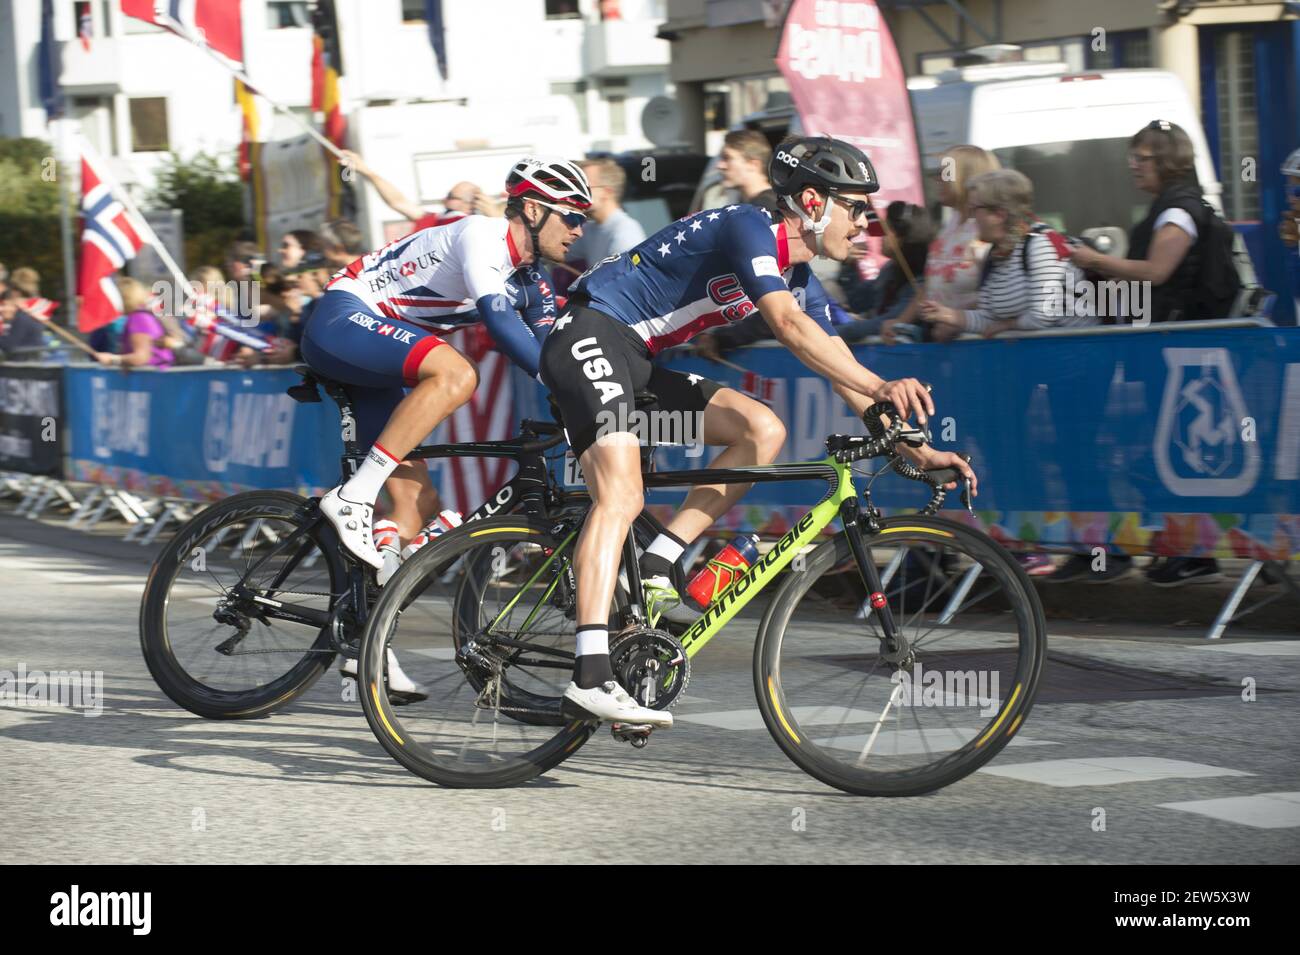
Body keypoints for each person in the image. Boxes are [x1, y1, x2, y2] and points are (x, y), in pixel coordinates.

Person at [539, 136, 976, 726]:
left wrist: (917, 449)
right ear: (814, 201)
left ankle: (663, 558)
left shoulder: (800, 279)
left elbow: (836, 365)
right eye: (857, 207)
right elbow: (789, 328)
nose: (867, 224)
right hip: (588, 334)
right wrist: (881, 386)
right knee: (621, 494)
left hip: (635, 362)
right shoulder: (749, 225)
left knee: (760, 429)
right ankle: (590, 673)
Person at [303, 155, 590, 559]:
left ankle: (369, 604)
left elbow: (547, 351)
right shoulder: (481, 236)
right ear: (533, 209)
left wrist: (587, 390)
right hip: (341, 322)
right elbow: (499, 320)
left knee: (416, 506)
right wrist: (562, 384)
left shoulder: (532, 281)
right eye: (572, 217)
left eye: (584, 220)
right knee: (457, 374)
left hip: (376, 367)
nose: (579, 230)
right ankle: (355, 496)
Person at [1068, 120, 1240, 325]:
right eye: (1132, 157)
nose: (1133, 165)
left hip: (1172, 336)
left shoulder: (1177, 213)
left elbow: (1156, 272)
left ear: (1166, 161)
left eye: (1141, 158)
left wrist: (1094, 260)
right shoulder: (1169, 205)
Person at [922, 169, 1095, 337]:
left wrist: (1009, 325)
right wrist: (946, 314)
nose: (972, 218)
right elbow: (989, 320)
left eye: (975, 209)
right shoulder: (996, 254)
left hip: (1075, 354)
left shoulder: (1039, 244)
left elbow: (1044, 315)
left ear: (999, 215)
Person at [888, 145, 999, 345]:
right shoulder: (951, 224)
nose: (937, 179)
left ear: (966, 176)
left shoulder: (987, 229)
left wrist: (960, 322)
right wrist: (900, 322)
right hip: (941, 339)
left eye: (945, 173)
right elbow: (931, 284)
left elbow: (998, 295)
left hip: (976, 345)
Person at [836, 202, 935, 343]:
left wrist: (833, 334)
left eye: (886, 230)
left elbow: (886, 322)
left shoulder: (919, 280)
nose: (881, 236)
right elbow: (856, 300)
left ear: (900, 237)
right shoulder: (889, 270)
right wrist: (848, 263)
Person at [335, 149, 490, 233]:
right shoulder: (434, 219)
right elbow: (397, 201)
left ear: (470, 205)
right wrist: (365, 171)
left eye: (451, 196)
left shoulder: (473, 226)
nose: (444, 199)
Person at [565, 158, 646, 268]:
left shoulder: (625, 230)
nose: (577, 193)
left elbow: (622, 279)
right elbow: (560, 252)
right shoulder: (589, 229)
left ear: (607, 192)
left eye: (585, 188)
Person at [92, 277, 174, 369]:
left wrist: (113, 359)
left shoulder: (138, 318)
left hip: (154, 379)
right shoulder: (140, 316)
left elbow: (141, 357)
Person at [716, 129, 778, 213]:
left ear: (753, 165)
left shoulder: (765, 208)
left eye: (727, 158)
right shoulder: (768, 203)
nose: (720, 166)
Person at [0, 288, 49, 357]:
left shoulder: (21, 319)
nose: (2, 309)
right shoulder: (26, 317)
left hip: (27, 364)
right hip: (29, 361)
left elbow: (9, 344)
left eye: (5, 305)